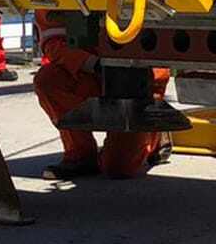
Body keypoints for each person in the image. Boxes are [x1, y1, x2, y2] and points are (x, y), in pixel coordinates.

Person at [32, 15, 170, 179]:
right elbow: (52, 41)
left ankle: (156, 133)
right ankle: (80, 155)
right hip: (92, 72)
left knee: (118, 168)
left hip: (135, 77)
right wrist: (94, 64)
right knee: (49, 81)